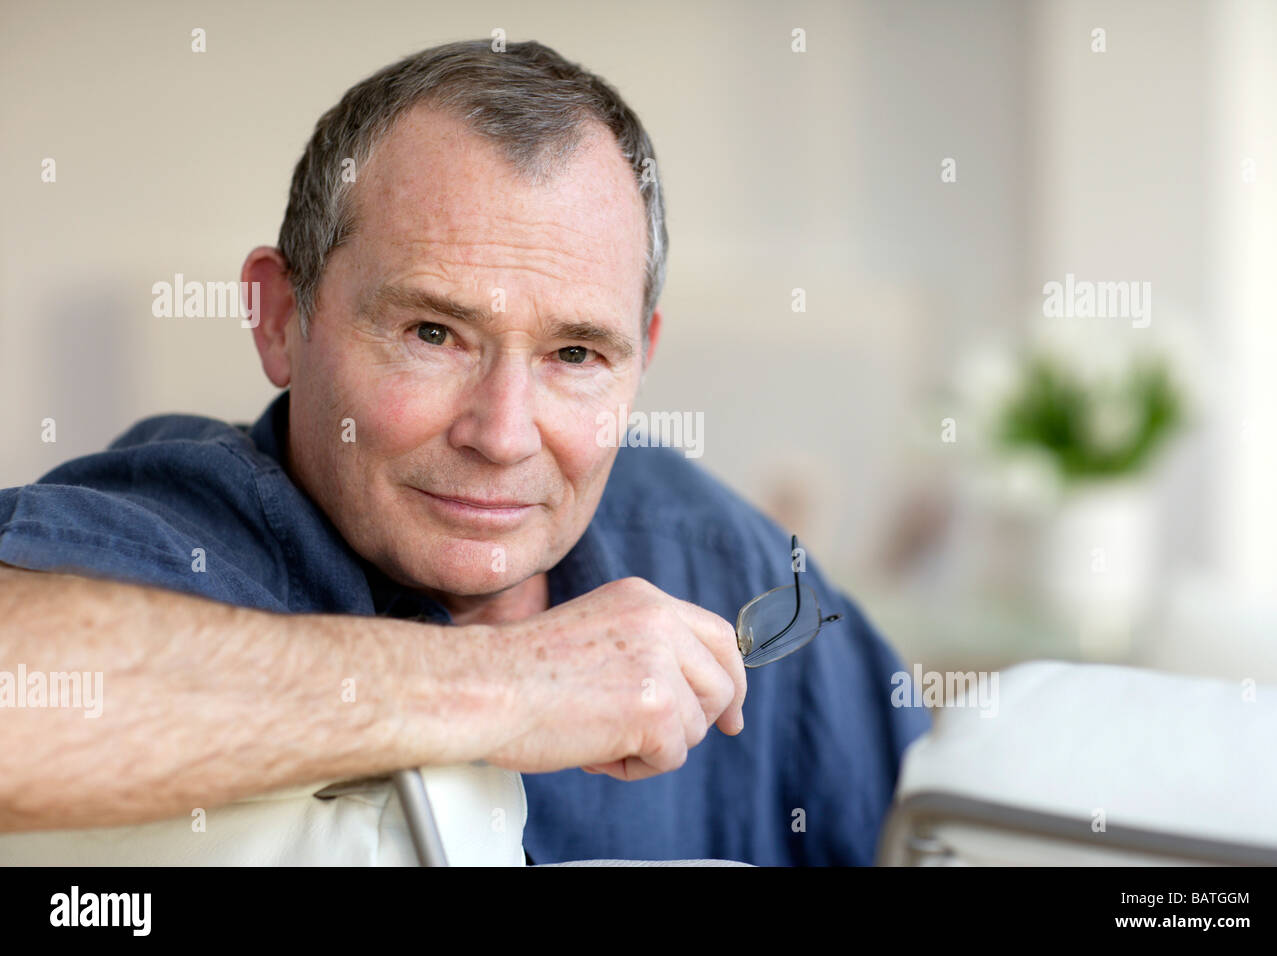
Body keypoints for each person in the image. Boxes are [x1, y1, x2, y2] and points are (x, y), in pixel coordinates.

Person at [0, 38, 928, 865]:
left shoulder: (712, 554)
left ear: (640, 357)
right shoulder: (184, 538)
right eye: (433, 334)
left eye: (575, 355)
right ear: (283, 318)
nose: (503, 434)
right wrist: (512, 684)